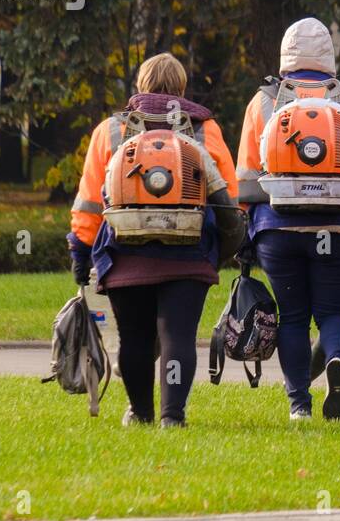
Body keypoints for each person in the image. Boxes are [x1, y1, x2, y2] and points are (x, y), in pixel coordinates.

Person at [68, 53, 244, 428]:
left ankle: (141, 413)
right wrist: (224, 249)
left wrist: (80, 251)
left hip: (124, 251)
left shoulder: (111, 130)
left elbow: (89, 201)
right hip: (189, 251)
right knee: (177, 335)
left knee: (134, 337)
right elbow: (230, 195)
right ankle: (172, 416)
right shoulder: (204, 129)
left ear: (140, 87)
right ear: (181, 89)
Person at [235, 17, 340, 421]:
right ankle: (336, 360)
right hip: (337, 227)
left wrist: (245, 237)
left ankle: (299, 404)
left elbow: (246, 178)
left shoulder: (264, 101)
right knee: (333, 313)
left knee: (293, 316)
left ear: (285, 57)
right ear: (329, 58)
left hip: (277, 230)